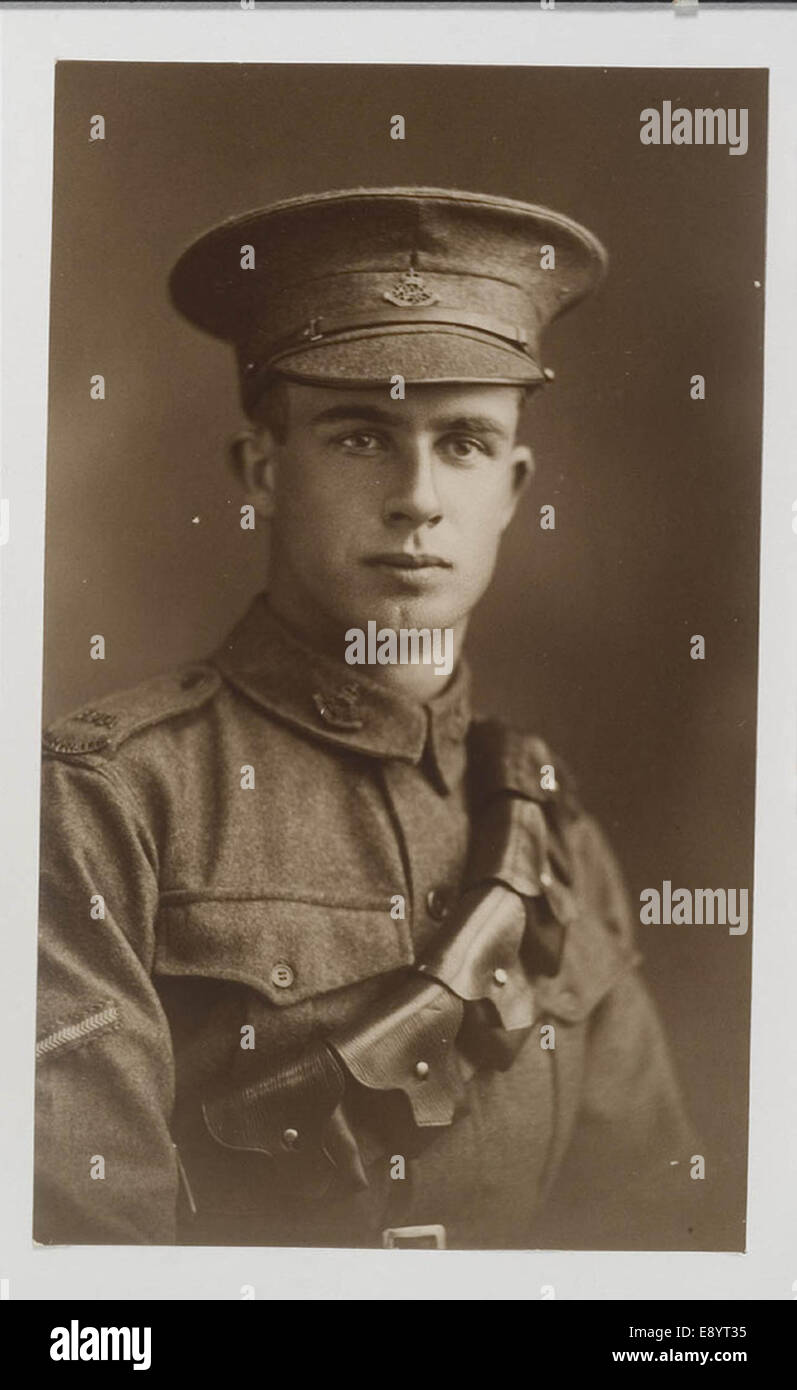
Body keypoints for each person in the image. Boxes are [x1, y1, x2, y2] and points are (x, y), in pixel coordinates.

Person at [34, 187, 702, 1250]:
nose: (417, 496)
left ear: (512, 487)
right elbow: (89, 1263)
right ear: (261, 468)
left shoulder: (555, 836)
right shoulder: (106, 803)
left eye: (465, 443)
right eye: (360, 436)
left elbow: (646, 1235)